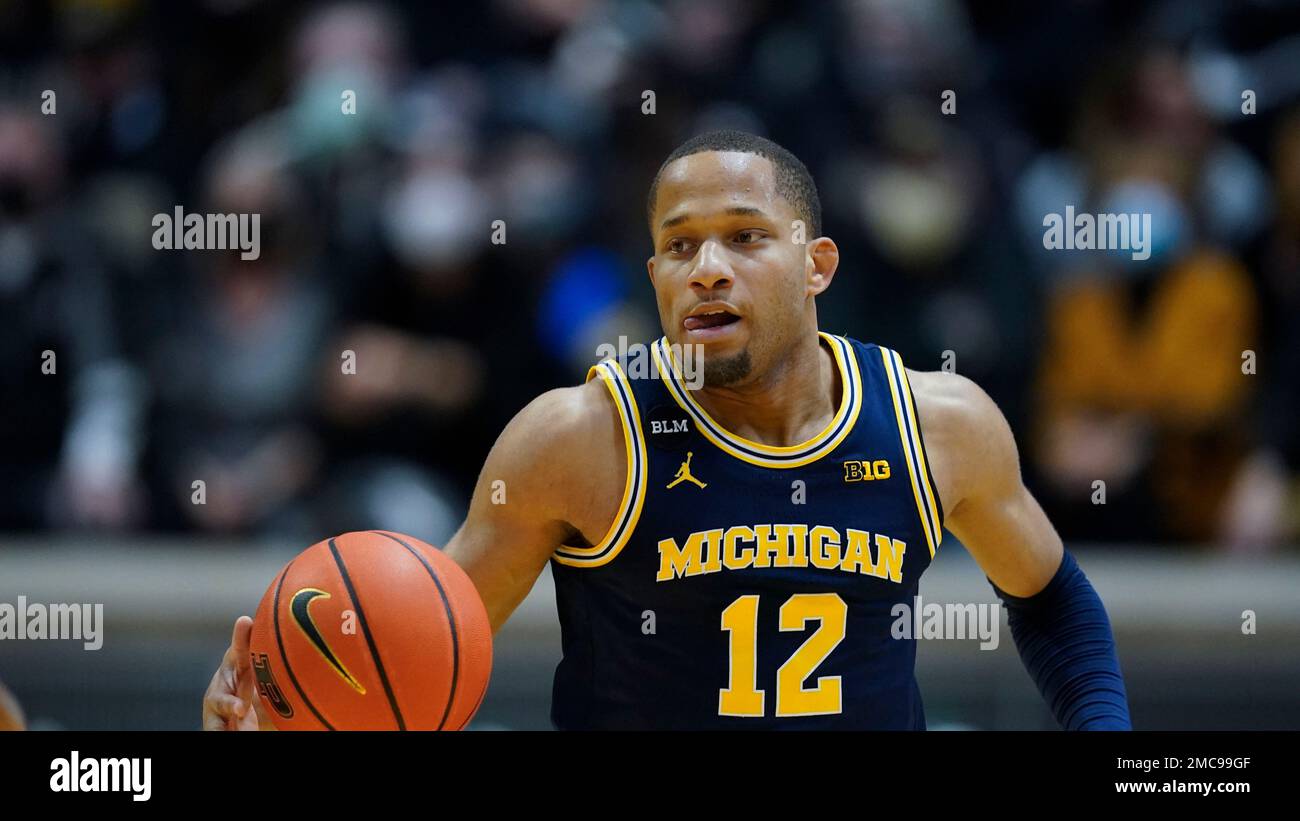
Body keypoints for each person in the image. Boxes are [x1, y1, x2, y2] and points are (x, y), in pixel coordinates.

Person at [203, 131, 1130, 730]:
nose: (708, 269)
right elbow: (419, 658)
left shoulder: (940, 422)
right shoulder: (578, 437)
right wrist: (281, 720)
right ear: (653, 274)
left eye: (744, 236)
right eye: (680, 246)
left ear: (817, 265)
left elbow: (1052, 600)